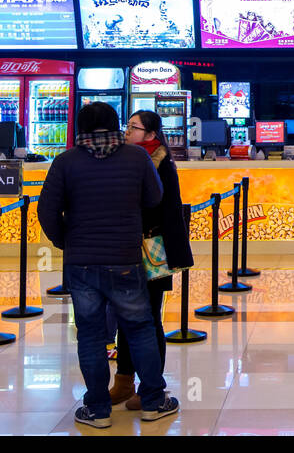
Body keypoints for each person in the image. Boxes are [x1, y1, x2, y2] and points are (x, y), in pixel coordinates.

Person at [37, 101, 176, 428]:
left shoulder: (65, 161)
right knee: (141, 328)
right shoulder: (137, 157)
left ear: (80, 127)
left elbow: (46, 211)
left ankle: (97, 409)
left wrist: (65, 241)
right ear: (115, 125)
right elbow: (154, 198)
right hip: (126, 258)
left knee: (90, 334)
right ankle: (154, 401)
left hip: (81, 263)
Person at [109, 109, 195, 409]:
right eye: (127, 126)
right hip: (125, 248)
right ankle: (122, 381)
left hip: (154, 248)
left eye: (133, 128)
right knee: (124, 315)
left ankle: (150, 387)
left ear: (151, 135)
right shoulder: (125, 158)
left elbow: (164, 209)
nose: (127, 132)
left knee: (149, 318)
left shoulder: (159, 163)